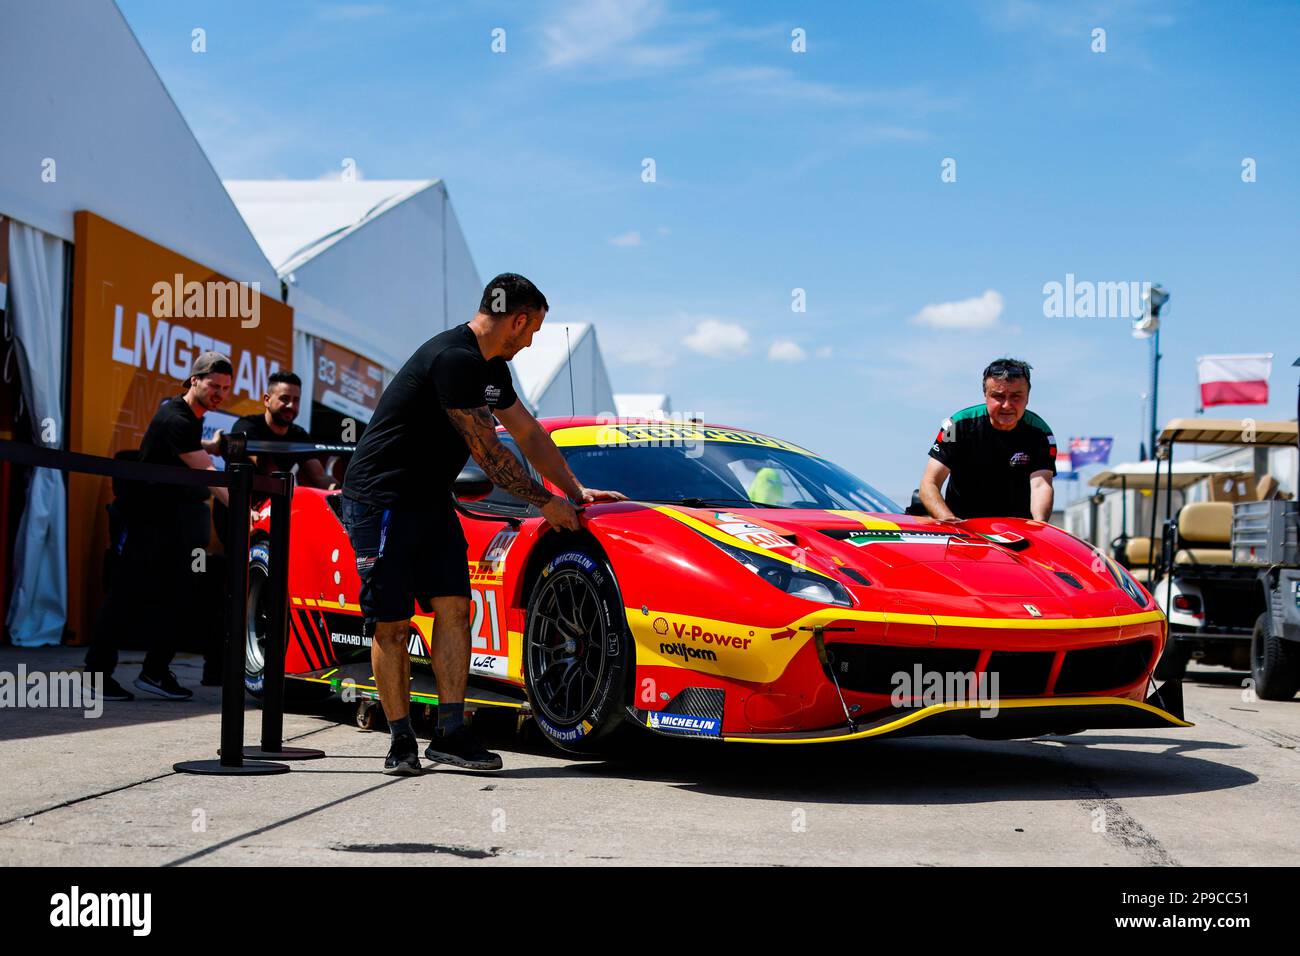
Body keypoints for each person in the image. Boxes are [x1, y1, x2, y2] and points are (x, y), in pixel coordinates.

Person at [341, 273, 625, 775]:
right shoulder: (455, 359)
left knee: (454, 608)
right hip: (381, 499)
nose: (533, 339)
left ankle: (450, 733)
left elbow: (529, 435)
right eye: (533, 328)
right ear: (517, 319)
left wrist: (576, 491)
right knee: (391, 623)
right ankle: (401, 740)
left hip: (429, 499)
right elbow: (489, 453)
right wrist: (545, 503)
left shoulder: (493, 369)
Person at [86, 352, 233, 701]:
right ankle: (96, 676)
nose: (220, 394)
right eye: (214, 385)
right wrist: (249, 510)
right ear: (194, 380)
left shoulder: (188, 417)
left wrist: (210, 445)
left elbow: (187, 453)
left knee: (180, 598)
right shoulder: (176, 418)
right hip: (149, 525)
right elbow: (207, 473)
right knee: (125, 597)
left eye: (226, 388)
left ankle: (154, 671)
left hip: (175, 527)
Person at [920, 357, 1056, 522]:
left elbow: (1041, 485)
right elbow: (930, 482)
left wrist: (1039, 524)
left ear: (1027, 397)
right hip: (962, 527)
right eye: (998, 396)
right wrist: (949, 520)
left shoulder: (1040, 432)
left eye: (1016, 396)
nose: (1006, 405)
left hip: (1016, 531)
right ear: (985, 395)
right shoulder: (956, 425)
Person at [228, 371, 335, 489]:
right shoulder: (246, 427)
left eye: (296, 400)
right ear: (266, 400)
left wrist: (338, 491)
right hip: (238, 504)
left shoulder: (299, 435)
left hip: (276, 503)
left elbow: (319, 477)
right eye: (285, 399)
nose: (291, 406)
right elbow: (268, 468)